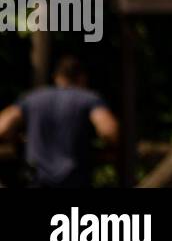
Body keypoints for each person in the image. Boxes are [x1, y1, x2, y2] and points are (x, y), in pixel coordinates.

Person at [0, 55, 118, 187]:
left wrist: (16, 141)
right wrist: (109, 152)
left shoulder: (32, 98)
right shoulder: (89, 99)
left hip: (37, 180)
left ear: (57, 76)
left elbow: (3, 128)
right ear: (82, 77)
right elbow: (109, 131)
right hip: (74, 180)